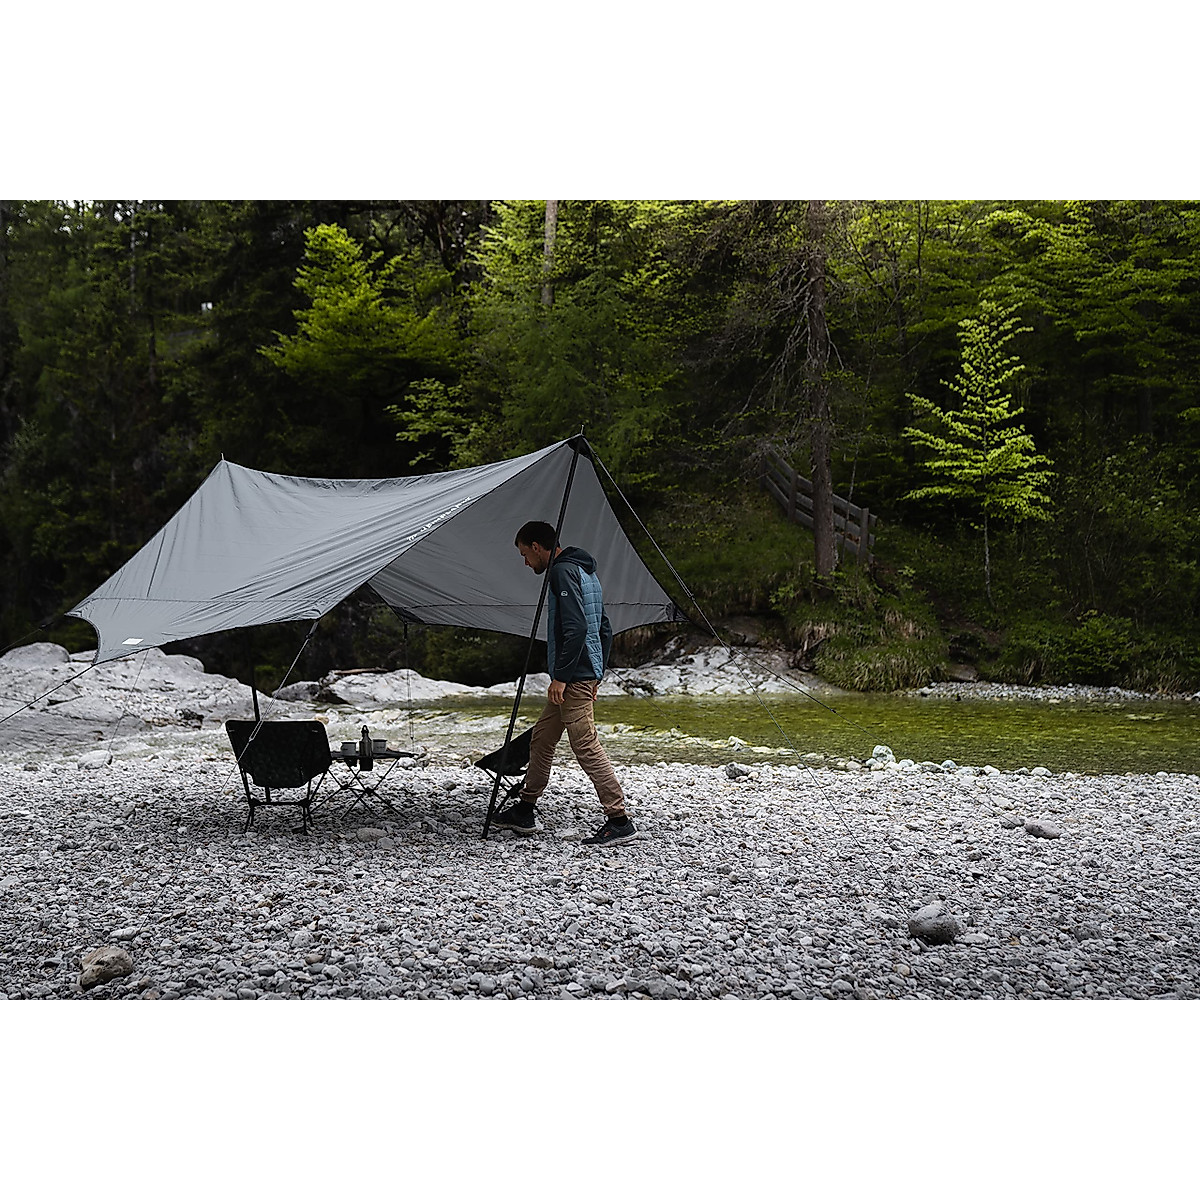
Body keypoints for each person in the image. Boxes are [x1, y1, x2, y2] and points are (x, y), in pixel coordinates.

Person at [492, 520, 640, 846]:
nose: (525, 562)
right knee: (542, 740)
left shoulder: (560, 573)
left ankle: (619, 820)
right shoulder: (587, 573)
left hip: (573, 677)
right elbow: (603, 627)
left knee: (585, 746)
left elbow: (577, 629)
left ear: (537, 546)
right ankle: (525, 809)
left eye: (524, 554)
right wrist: (597, 672)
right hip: (583, 673)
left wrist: (562, 677)